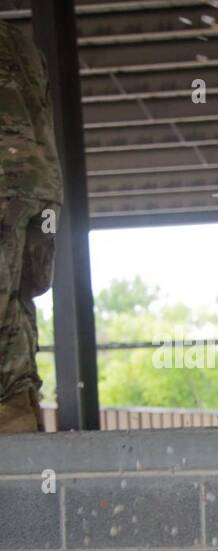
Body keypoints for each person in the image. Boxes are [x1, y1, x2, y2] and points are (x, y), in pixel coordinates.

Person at [0, 20, 61, 435]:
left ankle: (13, 408)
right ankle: (18, 406)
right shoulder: (21, 43)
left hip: (13, 189)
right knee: (22, 292)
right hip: (38, 191)